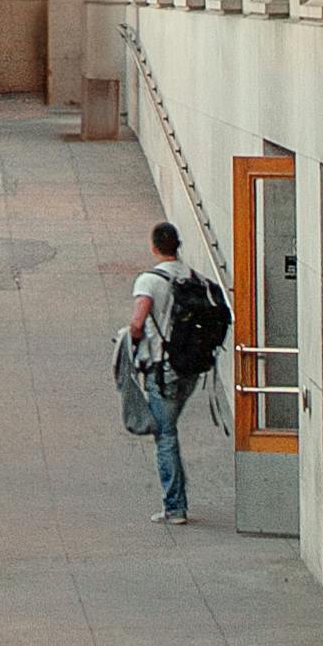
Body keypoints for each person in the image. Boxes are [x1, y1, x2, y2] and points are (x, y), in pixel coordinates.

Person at [128, 216, 199, 524]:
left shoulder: (149, 281)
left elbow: (138, 322)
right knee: (169, 429)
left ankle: (175, 506)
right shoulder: (190, 274)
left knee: (165, 435)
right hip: (190, 367)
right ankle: (176, 501)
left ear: (154, 247)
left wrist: (130, 345)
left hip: (163, 368)